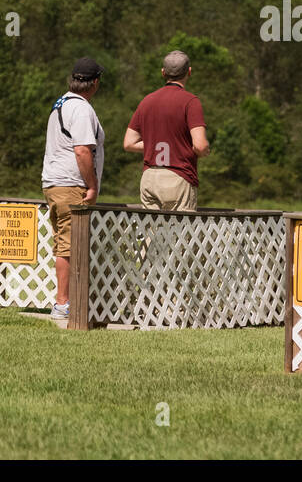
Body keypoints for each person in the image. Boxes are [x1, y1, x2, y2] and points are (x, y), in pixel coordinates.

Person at [41, 57, 105, 320]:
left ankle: (65, 300)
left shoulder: (62, 102)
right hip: (71, 184)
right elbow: (81, 150)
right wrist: (92, 185)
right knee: (69, 245)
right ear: (96, 83)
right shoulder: (81, 109)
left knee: (63, 243)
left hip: (54, 182)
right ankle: (63, 303)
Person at [124, 50, 209, 210]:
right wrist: (202, 151)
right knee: (182, 233)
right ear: (189, 72)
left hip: (150, 177)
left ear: (163, 72)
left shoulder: (146, 101)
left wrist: (152, 144)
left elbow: (129, 143)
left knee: (151, 233)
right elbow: (200, 145)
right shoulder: (191, 101)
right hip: (179, 176)